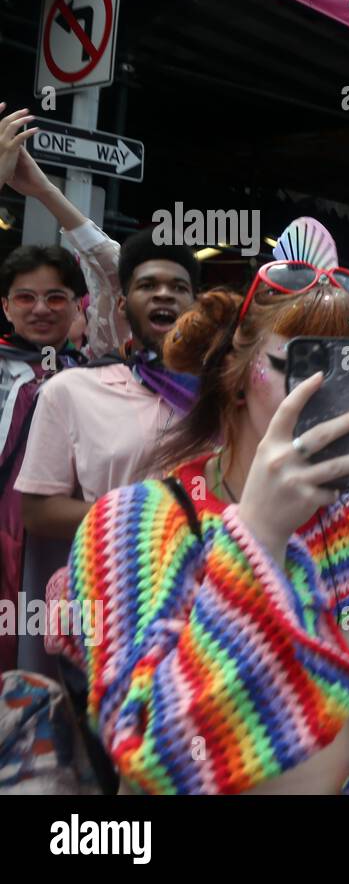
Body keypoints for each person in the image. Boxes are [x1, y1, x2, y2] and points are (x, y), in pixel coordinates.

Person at [46, 273, 349, 794]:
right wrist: (258, 538)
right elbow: (150, 749)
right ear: (238, 372)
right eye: (303, 365)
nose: (326, 396)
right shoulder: (133, 523)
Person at [16, 227, 200, 675]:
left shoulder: (228, 399)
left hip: (210, 614)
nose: (164, 295)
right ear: (122, 305)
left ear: (197, 307)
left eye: (179, 288)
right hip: (110, 611)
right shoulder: (70, 391)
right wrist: (142, 515)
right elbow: (36, 512)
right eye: (147, 285)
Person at [0, 124, 128, 673]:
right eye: (25, 297)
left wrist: (42, 190)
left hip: (70, 551)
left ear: (80, 307)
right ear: (5, 307)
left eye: (57, 296)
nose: (41, 308)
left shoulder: (96, 369)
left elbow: (114, 269)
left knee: (55, 682)